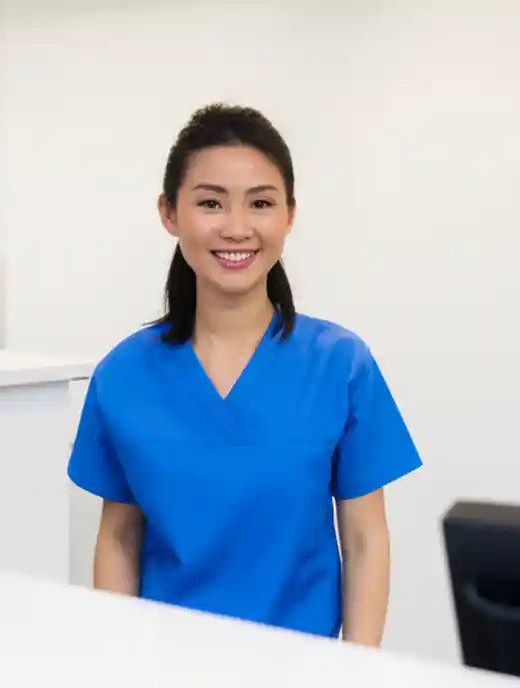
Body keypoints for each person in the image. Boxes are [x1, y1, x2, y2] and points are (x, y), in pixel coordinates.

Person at [67, 103, 421, 646]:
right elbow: (118, 538)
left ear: (289, 215)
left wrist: (357, 676)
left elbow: (365, 540)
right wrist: (120, 663)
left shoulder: (340, 365)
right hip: (164, 669)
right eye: (211, 202)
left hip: (303, 672)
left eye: (260, 203)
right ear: (169, 213)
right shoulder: (123, 376)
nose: (237, 229)